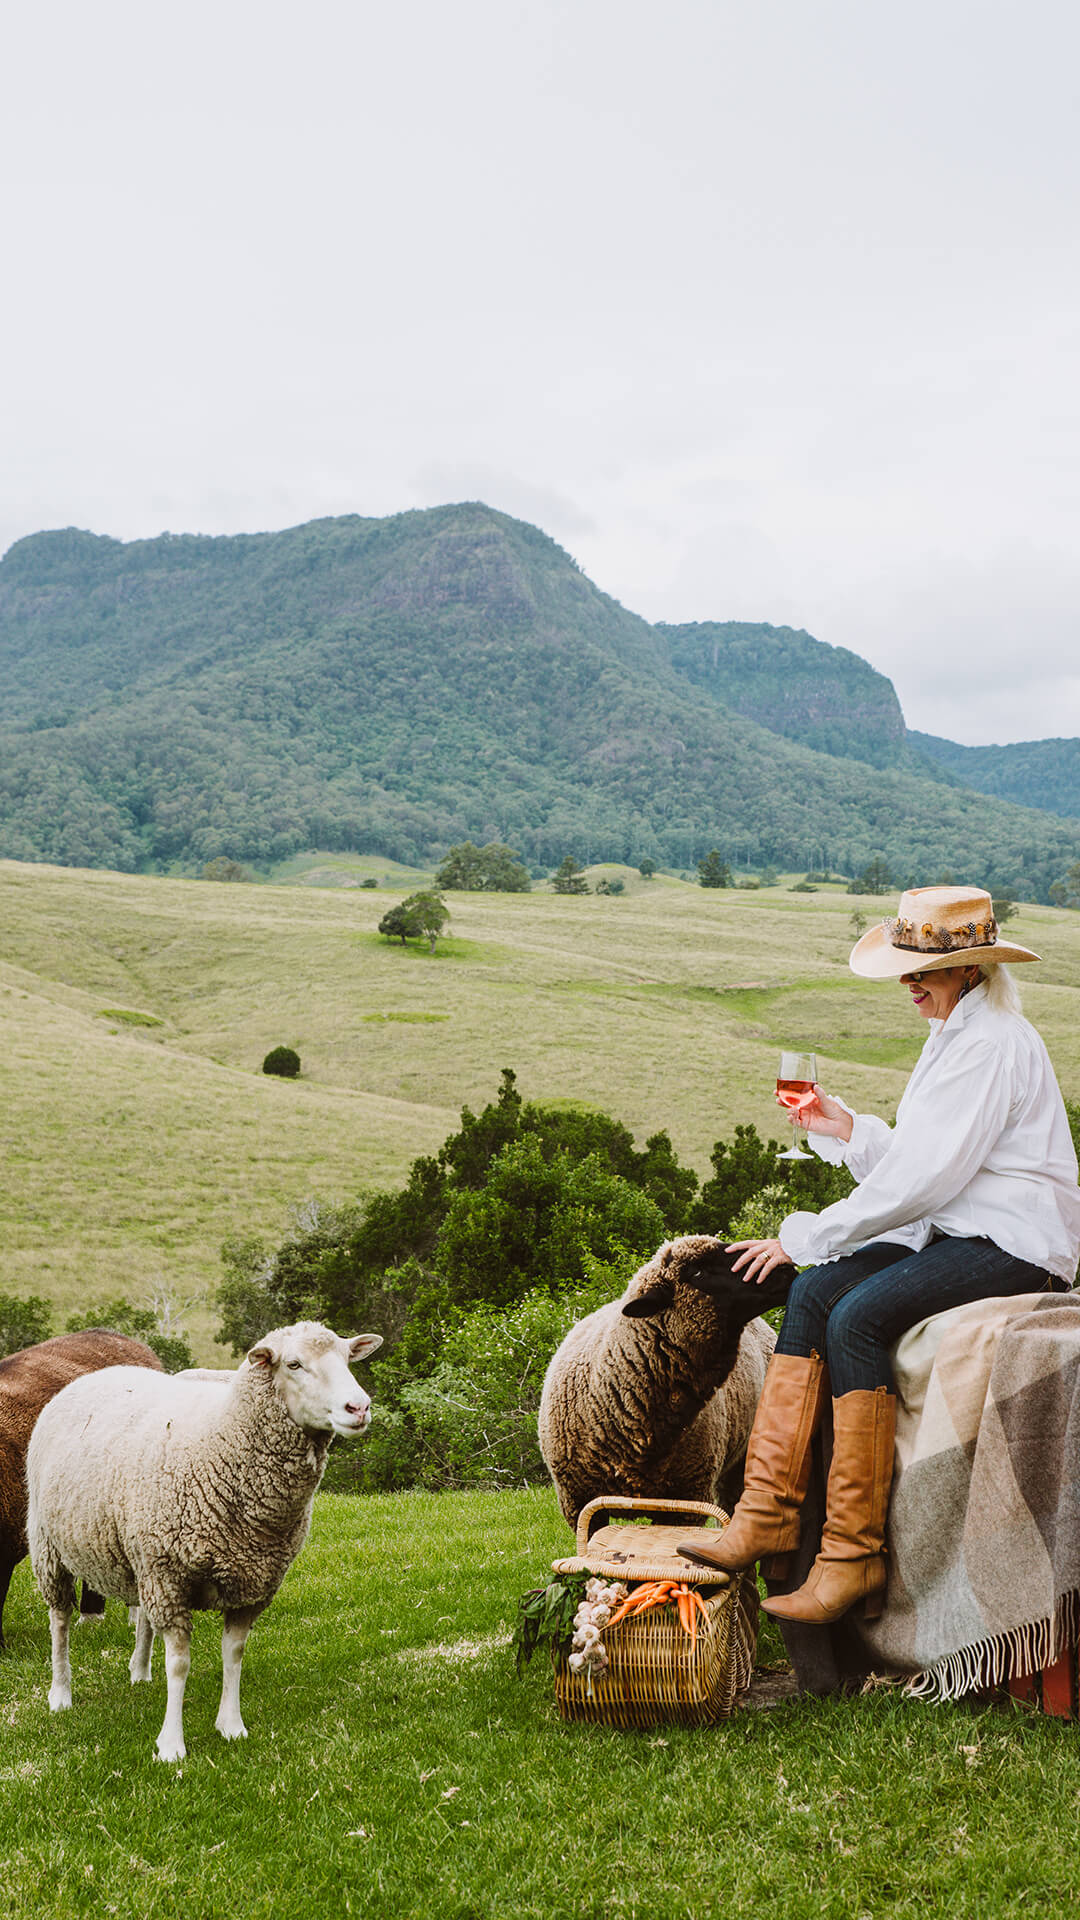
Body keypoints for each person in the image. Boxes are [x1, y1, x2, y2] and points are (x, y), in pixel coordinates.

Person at [680, 884, 1080, 1626]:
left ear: (968, 968)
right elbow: (922, 1165)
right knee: (812, 1293)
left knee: (856, 1314)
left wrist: (802, 1235)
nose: (908, 983)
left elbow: (926, 1181)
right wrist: (843, 1126)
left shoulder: (989, 1044)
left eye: (919, 969)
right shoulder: (956, 1034)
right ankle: (765, 1512)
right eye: (905, 968)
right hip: (961, 1228)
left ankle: (852, 1554)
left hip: (1017, 1243)